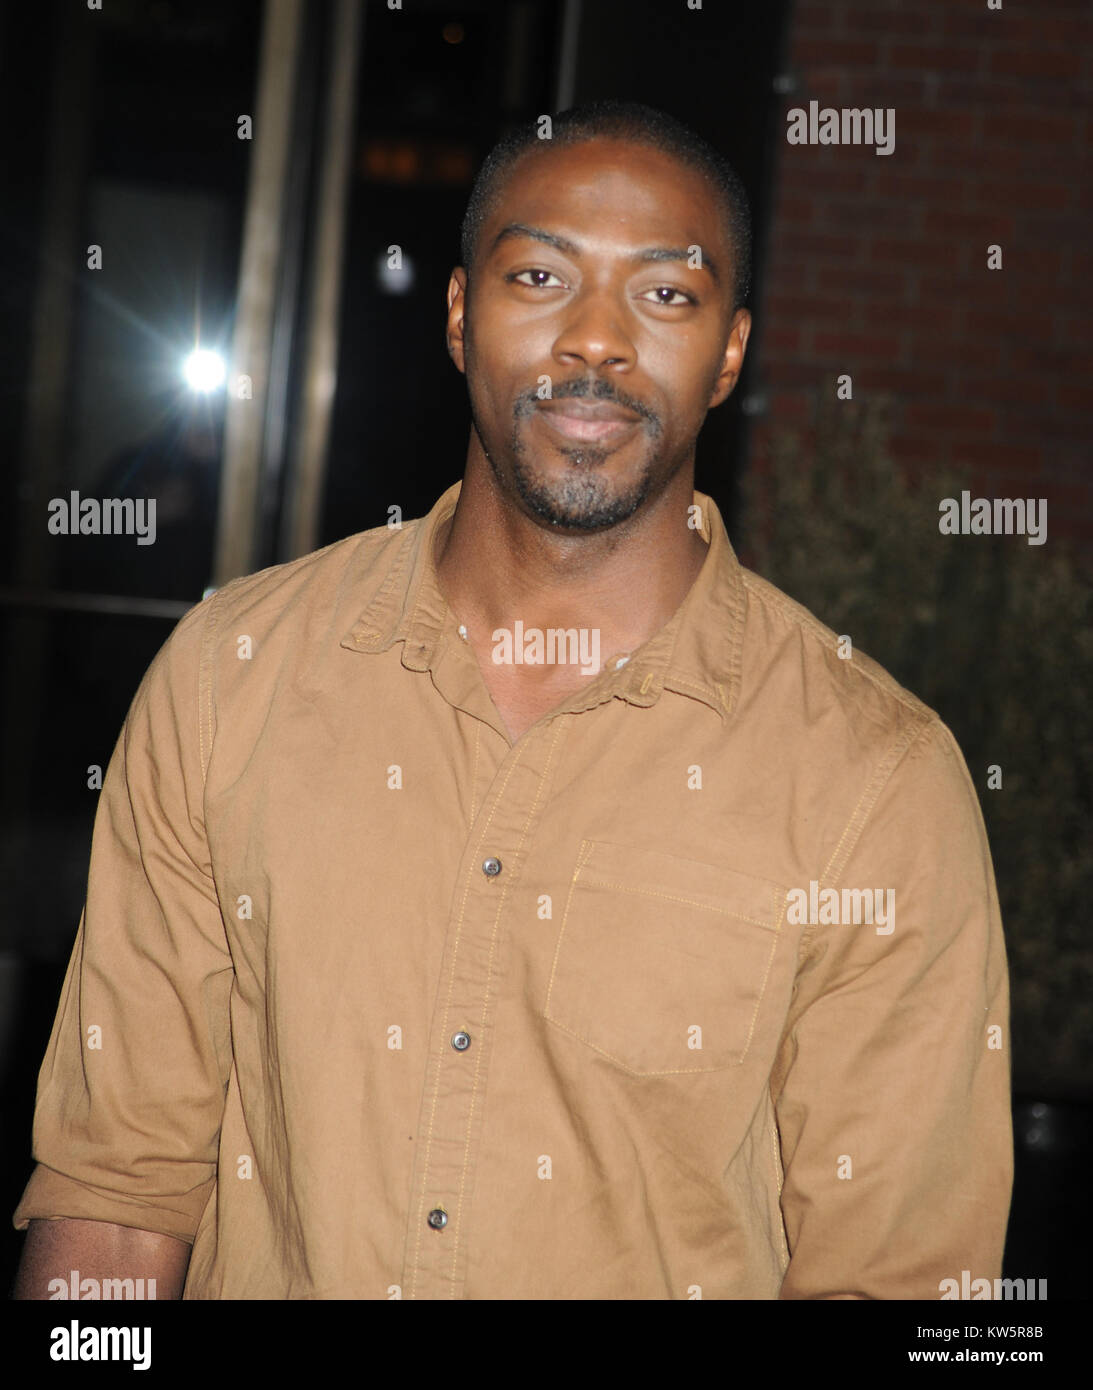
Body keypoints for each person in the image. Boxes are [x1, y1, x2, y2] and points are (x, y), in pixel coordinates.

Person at [12, 100, 1011, 1300]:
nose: (594, 341)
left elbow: (896, 1286)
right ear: (458, 313)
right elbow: (115, 1203)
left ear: (732, 352)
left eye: (664, 295)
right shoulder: (233, 678)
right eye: (540, 275)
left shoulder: (876, 780)